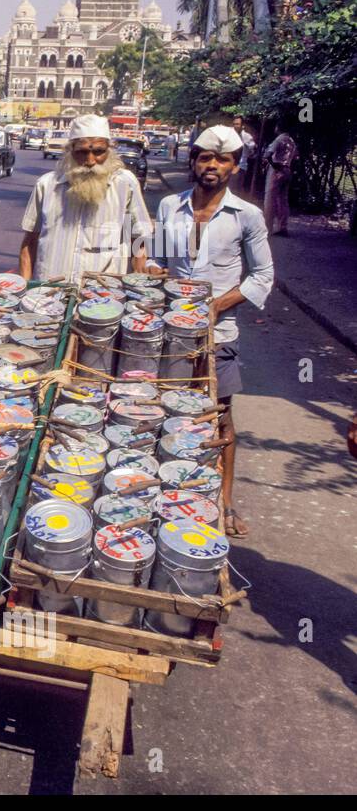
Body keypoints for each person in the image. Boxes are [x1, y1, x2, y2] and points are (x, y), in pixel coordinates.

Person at [144, 124, 274, 538]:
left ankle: (224, 503)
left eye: (222, 160)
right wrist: (151, 272)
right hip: (170, 333)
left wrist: (214, 306)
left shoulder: (246, 216)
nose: (212, 166)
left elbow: (263, 277)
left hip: (220, 336)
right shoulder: (169, 206)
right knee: (163, 413)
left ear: (234, 166)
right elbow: (158, 259)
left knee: (218, 418)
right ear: (194, 161)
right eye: (205, 158)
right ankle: (164, 492)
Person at [18, 113, 150, 283]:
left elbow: (139, 240)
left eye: (99, 152)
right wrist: (23, 289)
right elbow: (29, 243)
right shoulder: (47, 185)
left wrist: (138, 285)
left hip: (102, 298)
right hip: (49, 295)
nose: (90, 160)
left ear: (109, 151)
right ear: (70, 151)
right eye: (82, 152)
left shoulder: (125, 184)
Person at [262, 126, 298, 236]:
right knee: (282, 200)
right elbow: (296, 157)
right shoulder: (291, 141)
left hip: (276, 170)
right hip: (287, 170)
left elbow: (267, 155)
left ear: (278, 128)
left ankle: (267, 226)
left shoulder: (278, 140)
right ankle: (283, 227)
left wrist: (274, 165)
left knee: (270, 199)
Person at [230, 116, 256, 196]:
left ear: (242, 125)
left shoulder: (247, 137)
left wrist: (245, 157)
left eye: (237, 124)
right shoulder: (230, 135)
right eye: (234, 124)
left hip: (240, 167)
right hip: (229, 166)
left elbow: (253, 151)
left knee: (235, 191)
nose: (235, 126)